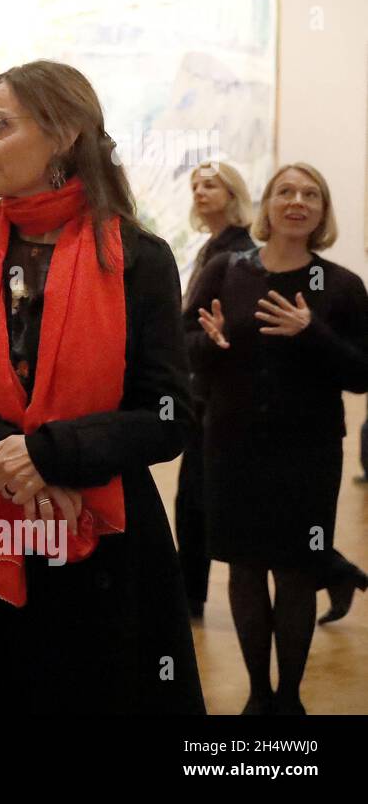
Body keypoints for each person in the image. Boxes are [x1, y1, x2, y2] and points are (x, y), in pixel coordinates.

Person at [0, 60, 205, 714]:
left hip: (104, 550)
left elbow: (169, 415)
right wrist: (7, 452)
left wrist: (50, 454)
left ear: (62, 134)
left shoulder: (139, 260)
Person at [187, 162, 368, 713]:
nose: (297, 201)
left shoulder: (340, 285)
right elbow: (184, 342)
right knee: (244, 569)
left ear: (322, 212)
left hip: (307, 453)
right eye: (285, 191)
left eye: (311, 193)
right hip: (233, 444)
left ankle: (288, 698)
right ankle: (258, 695)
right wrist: (208, 344)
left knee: (296, 569)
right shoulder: (226, 270)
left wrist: (311, 333)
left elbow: (361, 373)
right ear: (266, 205)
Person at [176, 161, 256, 619]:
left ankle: (190, 597)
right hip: (205, 392)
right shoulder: (214, 248)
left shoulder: (238, 253)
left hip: (218, 397)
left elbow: (221, 330)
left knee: (202, 499)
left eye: (211, 185)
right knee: (202, 497)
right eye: (195, 186)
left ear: (233, 193)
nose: (200, 192)